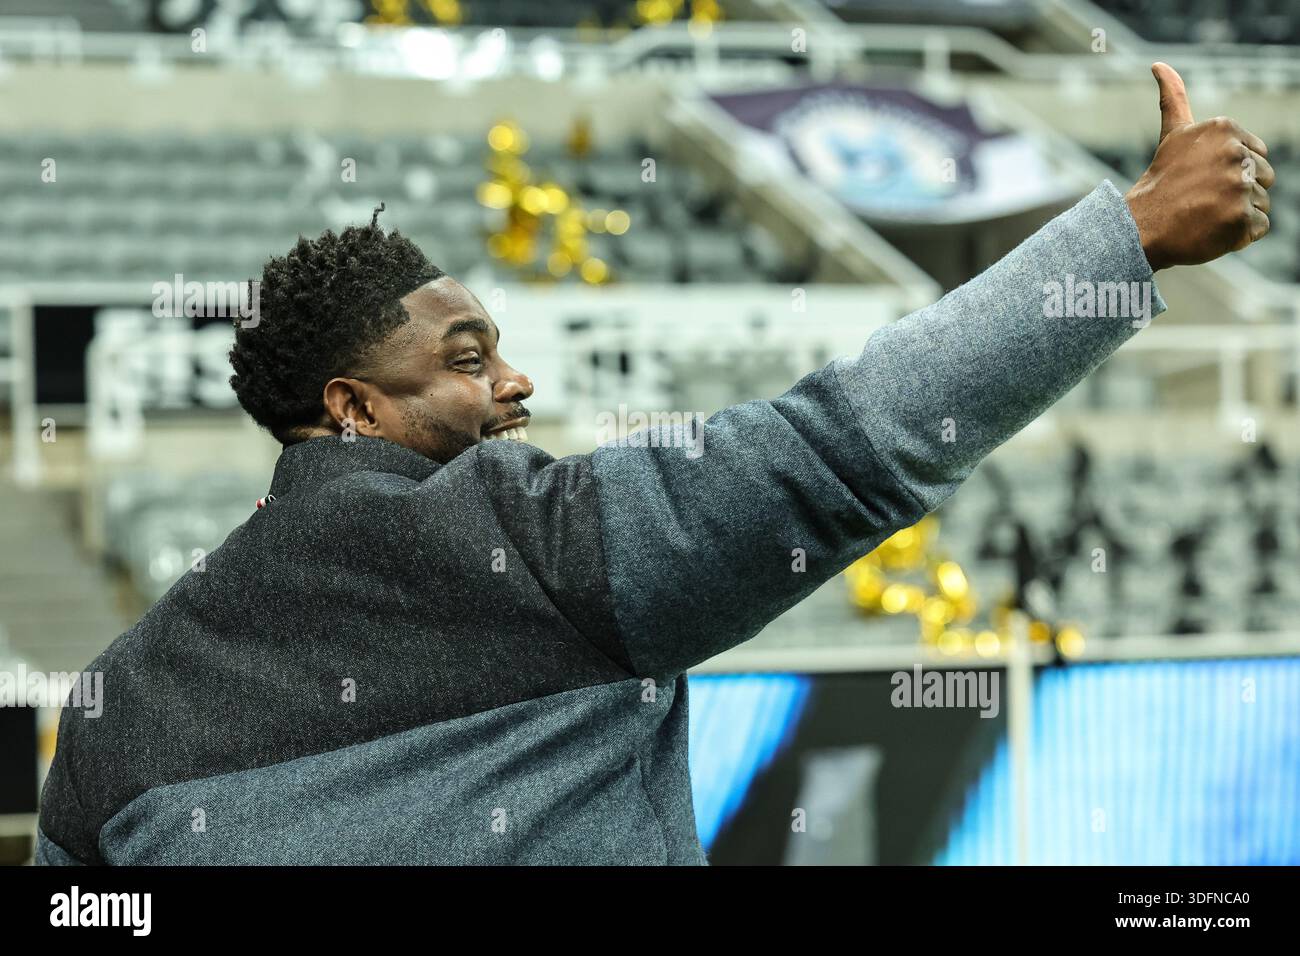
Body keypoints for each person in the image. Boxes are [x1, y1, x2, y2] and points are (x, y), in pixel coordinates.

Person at [36, 63, 1274, 864]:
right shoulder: (528, 541)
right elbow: (844, 447)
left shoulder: (119, 700)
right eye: (467, 359)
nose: (513, 383)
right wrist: (1126, 237)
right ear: (353, 404)